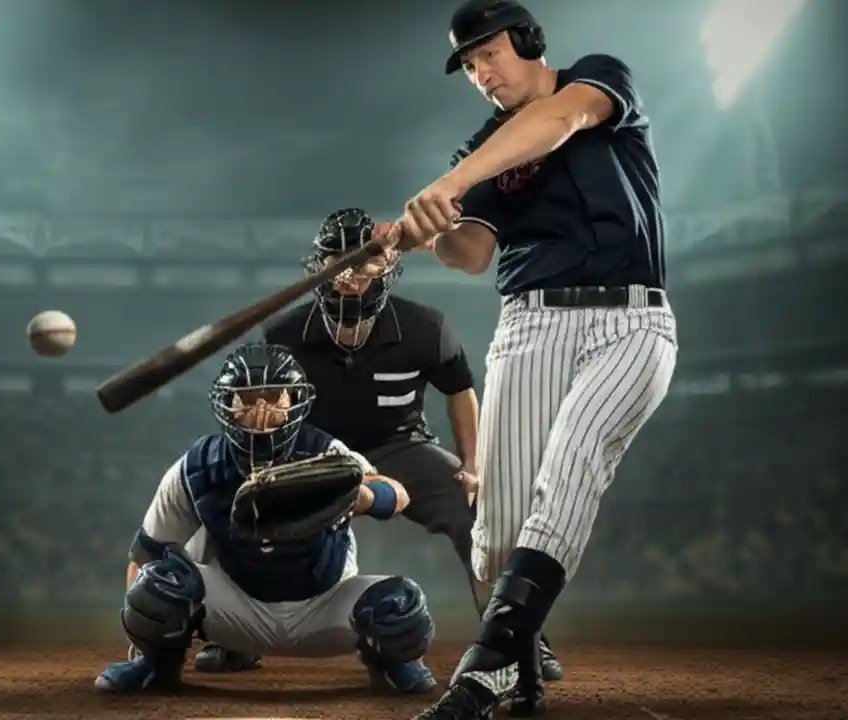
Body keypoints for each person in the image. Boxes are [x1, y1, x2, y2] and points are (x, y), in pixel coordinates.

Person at [388, 1, 680, 717]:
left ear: (527, 41)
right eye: (470, 65)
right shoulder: (480, 154)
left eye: (490, 53)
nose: (482, 73)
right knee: (498, 531)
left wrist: (450, 184)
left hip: (630, 321)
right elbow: (473, 253)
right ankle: (518, 673)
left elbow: (557, 123)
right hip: (529, 328)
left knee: (570, 467)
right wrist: (429, 231)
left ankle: (483, 672)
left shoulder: (596, 81)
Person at [191, 208, 565, 682]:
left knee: (478, 514)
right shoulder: (283, 332)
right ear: (320, 264)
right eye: (338, 257)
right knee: (232, 503)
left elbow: (460, 393)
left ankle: (518, 639)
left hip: (400, 448)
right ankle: (233, 640)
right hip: (308, 457)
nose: (349, 270)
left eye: (364, 258)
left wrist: (473, 463)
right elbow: (259, 402)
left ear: (387, 264)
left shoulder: (426, 327)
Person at [94, 342, 439, 695]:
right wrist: (141, 639)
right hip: (234, 607)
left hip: (324, 606)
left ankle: (394, 667)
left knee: (400, 605)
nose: (261, 410)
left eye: (274, 396)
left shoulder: (325, 452)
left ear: (295, 401)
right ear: (227, 403)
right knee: (156, 582)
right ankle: (155, 666)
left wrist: (363, 496)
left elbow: (398, 495)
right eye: (248, 397)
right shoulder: (198, 465)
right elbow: (146, 553)